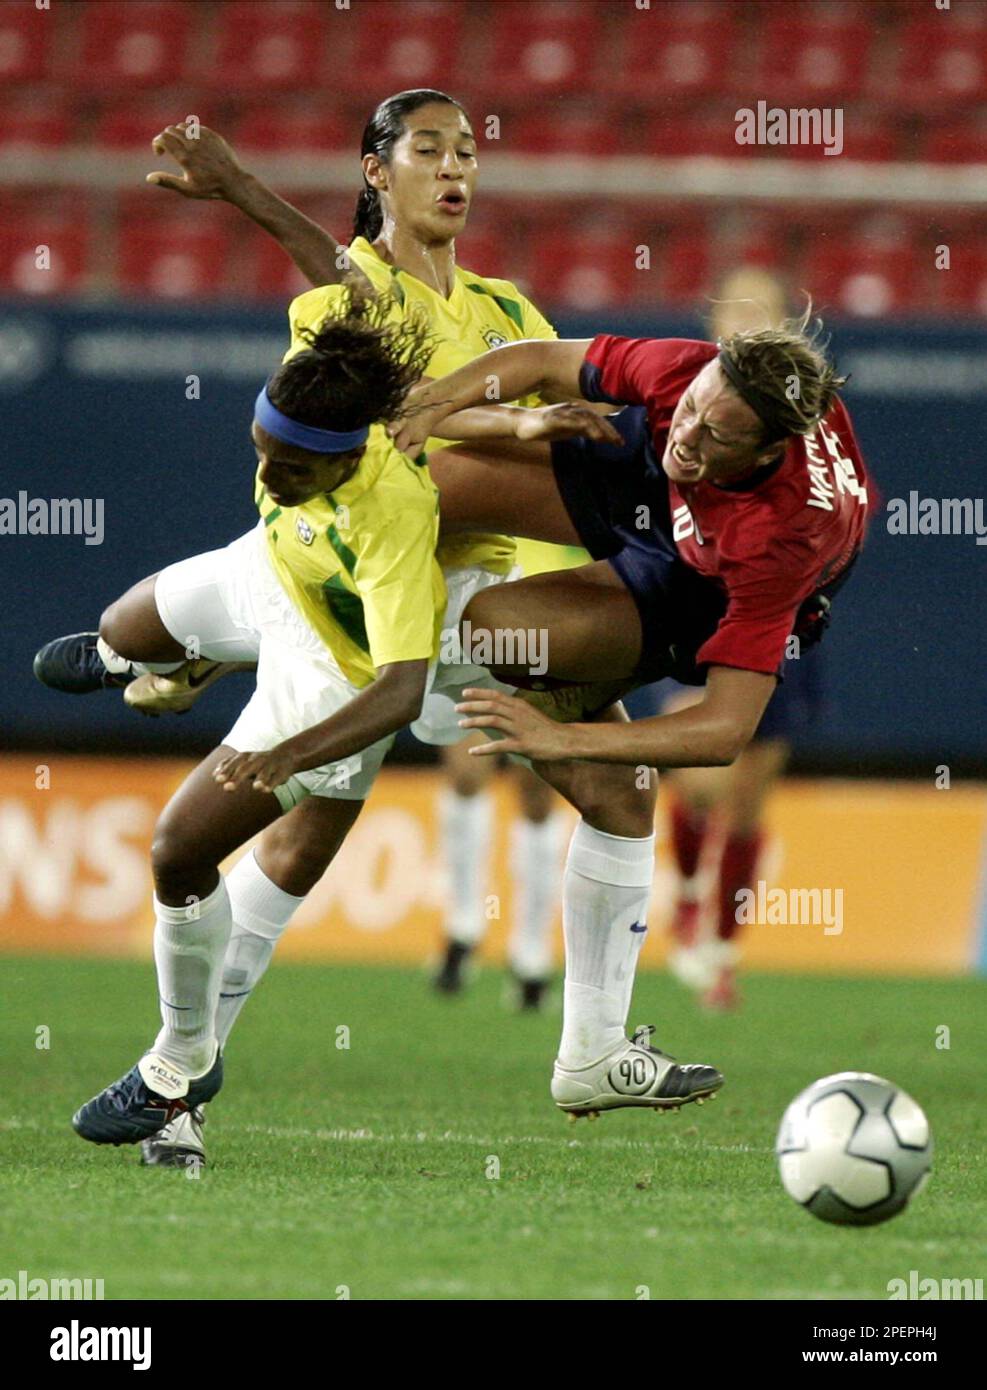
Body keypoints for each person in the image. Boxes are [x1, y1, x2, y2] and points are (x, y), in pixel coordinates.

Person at [35, 92, 590, 1018]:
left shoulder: (507, 312)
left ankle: (193, 1049)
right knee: (142, 648)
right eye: (428, 149)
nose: (454, 167)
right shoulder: (341, 295)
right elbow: (400, 396)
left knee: (314, 832)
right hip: (327, 572)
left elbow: (564, 416)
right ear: (376, 170)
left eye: (466, 151)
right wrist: (242, 189)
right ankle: (143, 660)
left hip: (436, 597)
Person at [655, 267, 830, 1011]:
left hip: (782, 616)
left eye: (765, 309)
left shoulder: (807, 413)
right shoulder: (690, 398)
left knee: (751, 798)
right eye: (736, 310)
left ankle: (722, 950)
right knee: (697, 774)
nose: (748, 320)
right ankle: (687, 894)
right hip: (705, 610)